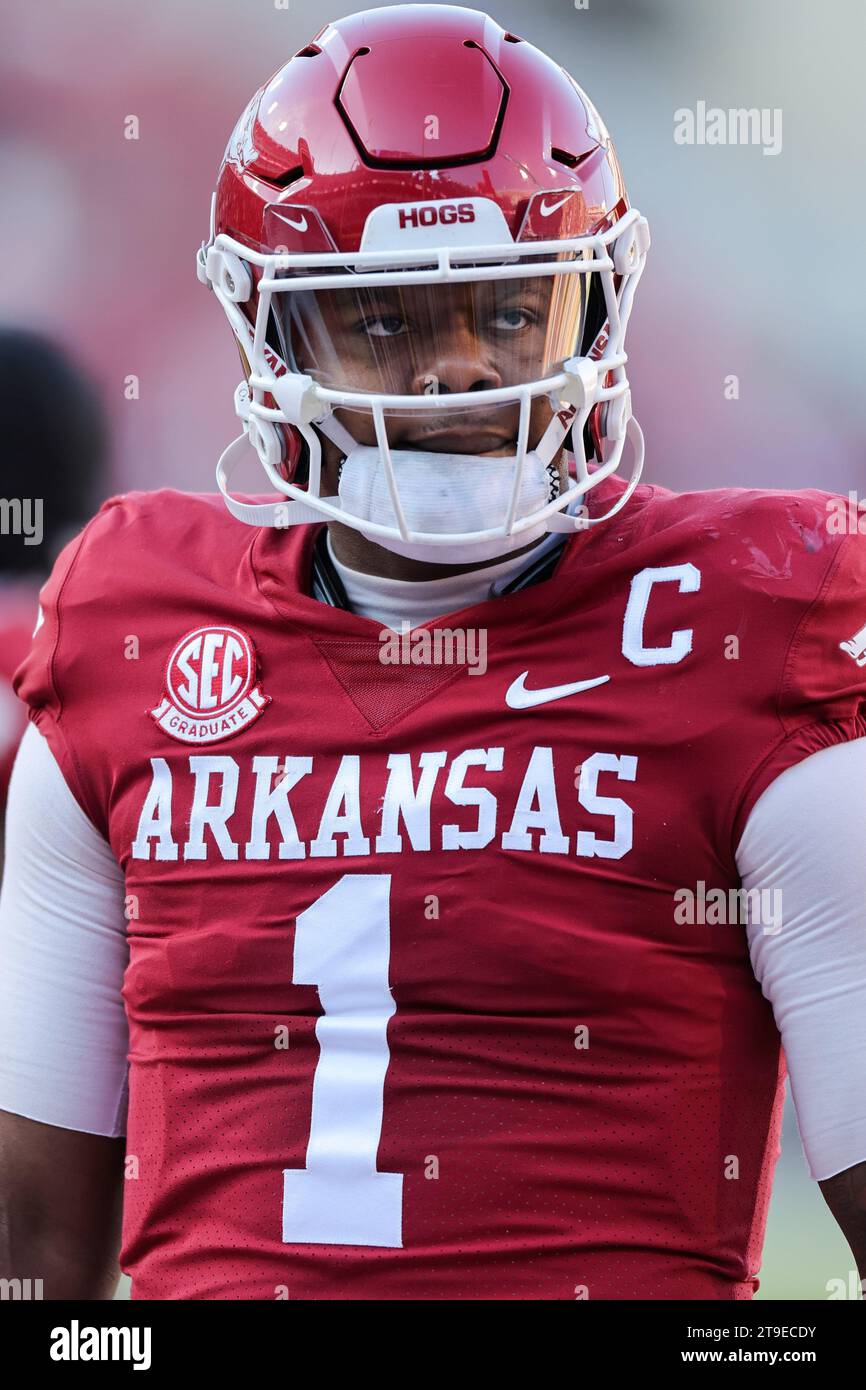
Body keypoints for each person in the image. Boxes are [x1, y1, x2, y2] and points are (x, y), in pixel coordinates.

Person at [1, 5, 864, 1301]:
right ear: (270, 335)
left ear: (593, 308)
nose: (462, 374)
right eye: (392, 322)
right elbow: (34, 1255)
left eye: (506, 312)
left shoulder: (746, 623)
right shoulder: (132, 627)